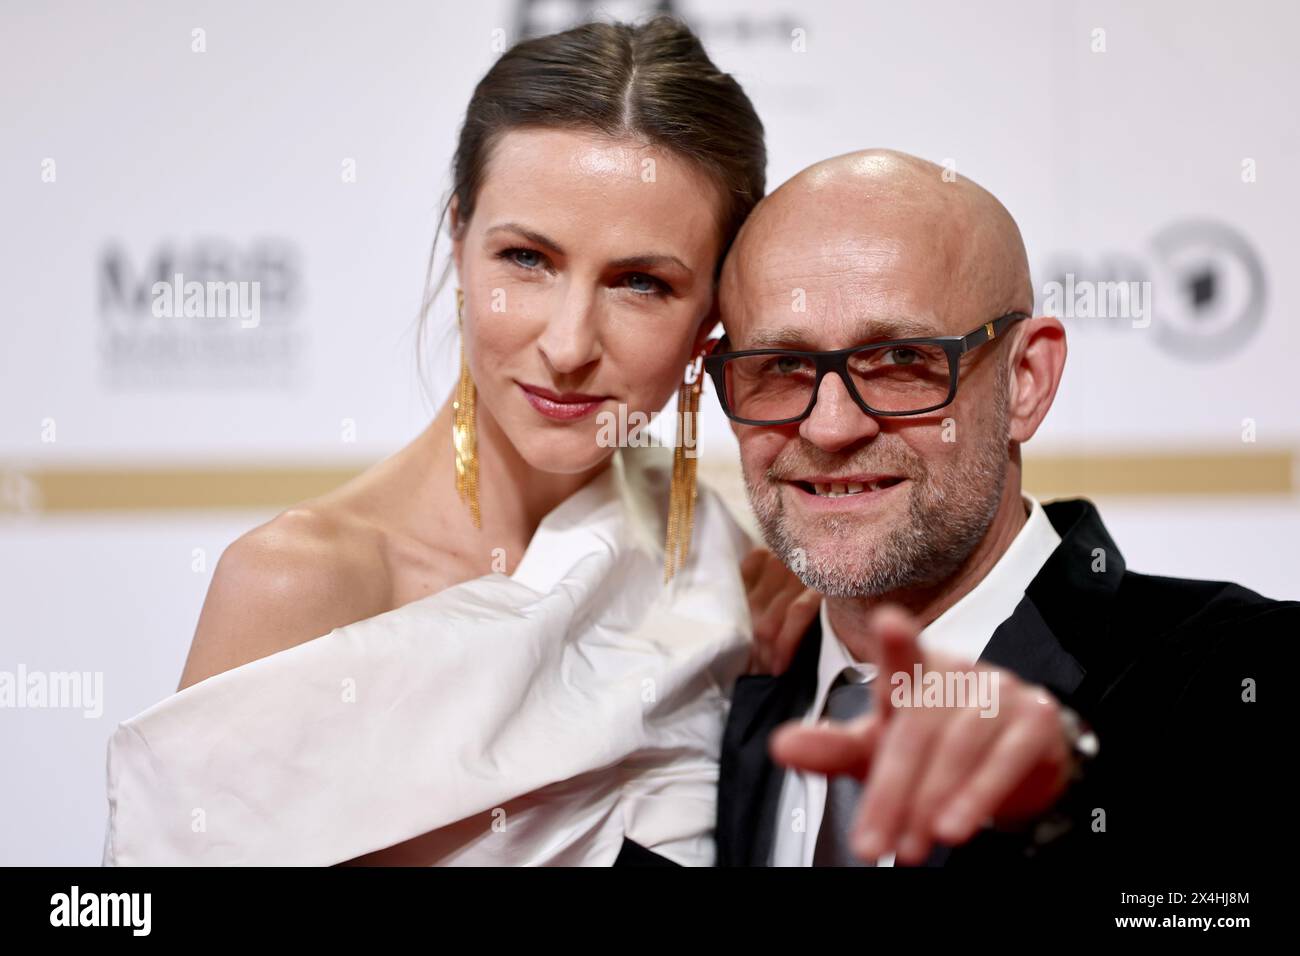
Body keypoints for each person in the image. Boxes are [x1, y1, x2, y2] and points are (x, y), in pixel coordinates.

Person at [101, 17, 811, 867]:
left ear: (711, 323)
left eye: (640, 282)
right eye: (527, 259)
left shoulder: (728, 575)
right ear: (459, 239)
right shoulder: (303, 586)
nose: (569, 342)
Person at [712, 149, 1294, 867]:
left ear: (1026, 380)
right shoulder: (721, 695)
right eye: (781, 366)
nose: (830, 427)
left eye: (900, 361)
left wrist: (1063, 803)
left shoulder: (1255, 675)